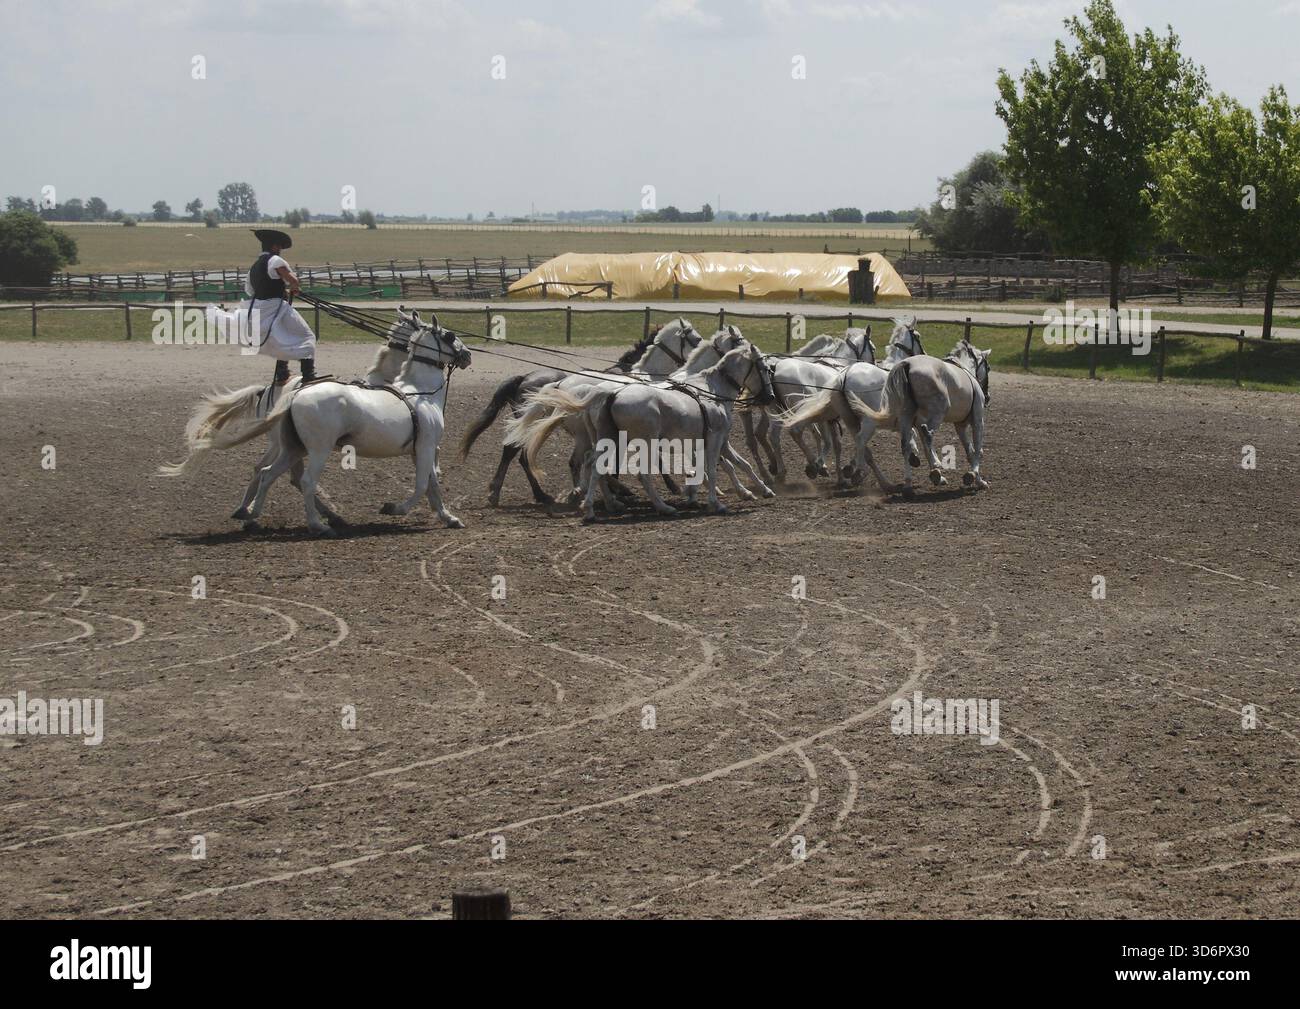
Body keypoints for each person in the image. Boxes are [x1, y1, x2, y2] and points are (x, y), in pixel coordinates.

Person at [240, 228, 318, 383]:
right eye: (280, 247)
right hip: (277, 307)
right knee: (307, 336)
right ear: (274, 246)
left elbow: (250, 290)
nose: (281, 250)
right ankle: (308, 374)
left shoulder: (254, 267)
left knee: (284, 337)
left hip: (260, 311)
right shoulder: (275, 261)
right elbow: (293, 281)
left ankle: (282, 373)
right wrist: (294, 288)